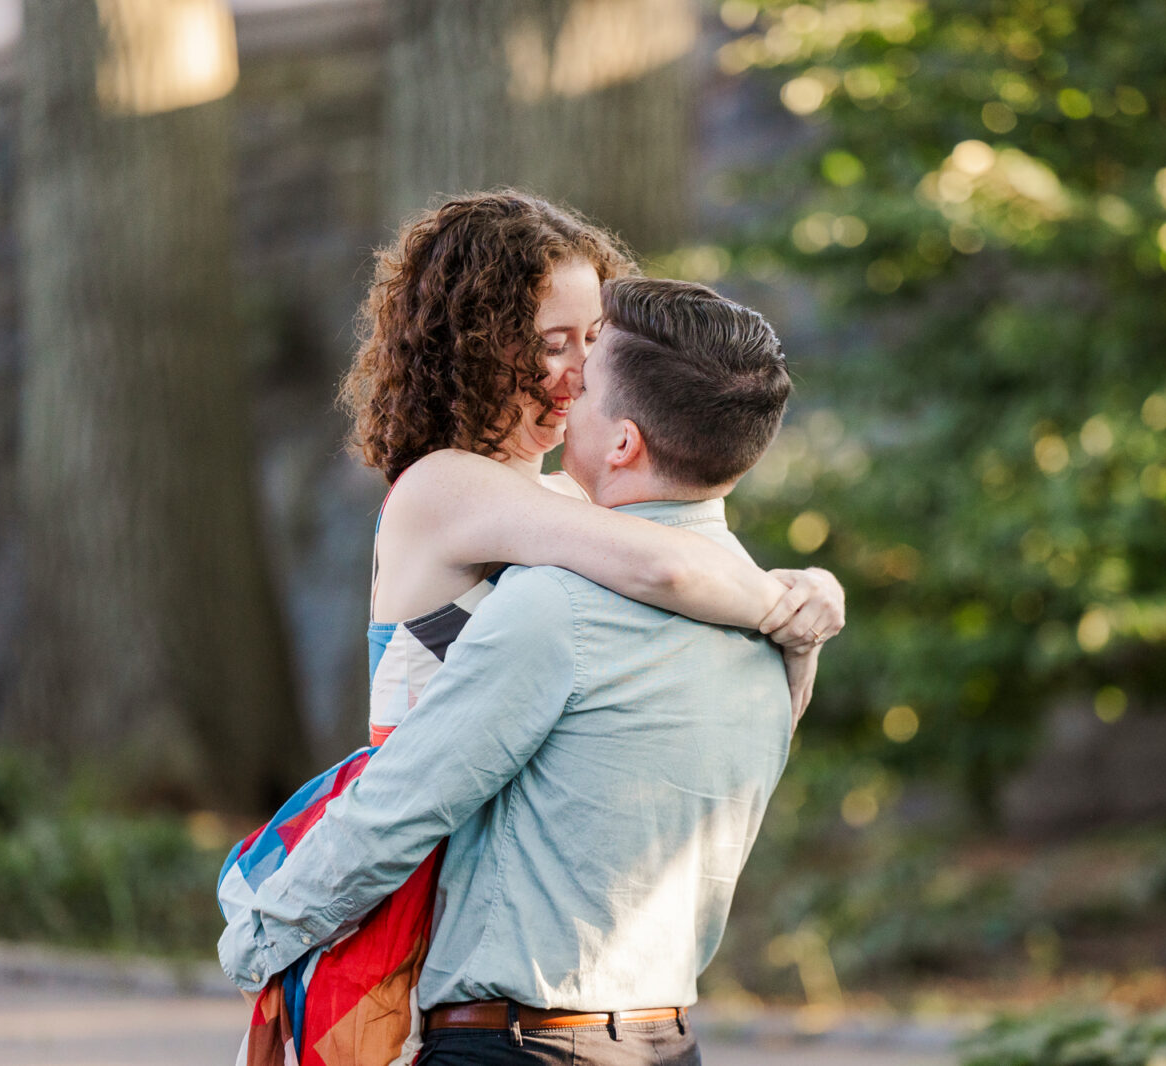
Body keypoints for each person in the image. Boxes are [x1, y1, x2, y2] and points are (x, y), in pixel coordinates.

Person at [217, 191, 842, 1066]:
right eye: (554, 345)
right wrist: (793, 603)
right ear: (476, 346)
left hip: (544, 973)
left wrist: (799, 598)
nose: (580, 372)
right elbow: (667, 563)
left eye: (595, 342)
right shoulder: (452, 489)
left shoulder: (574, 511)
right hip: (436, 924)